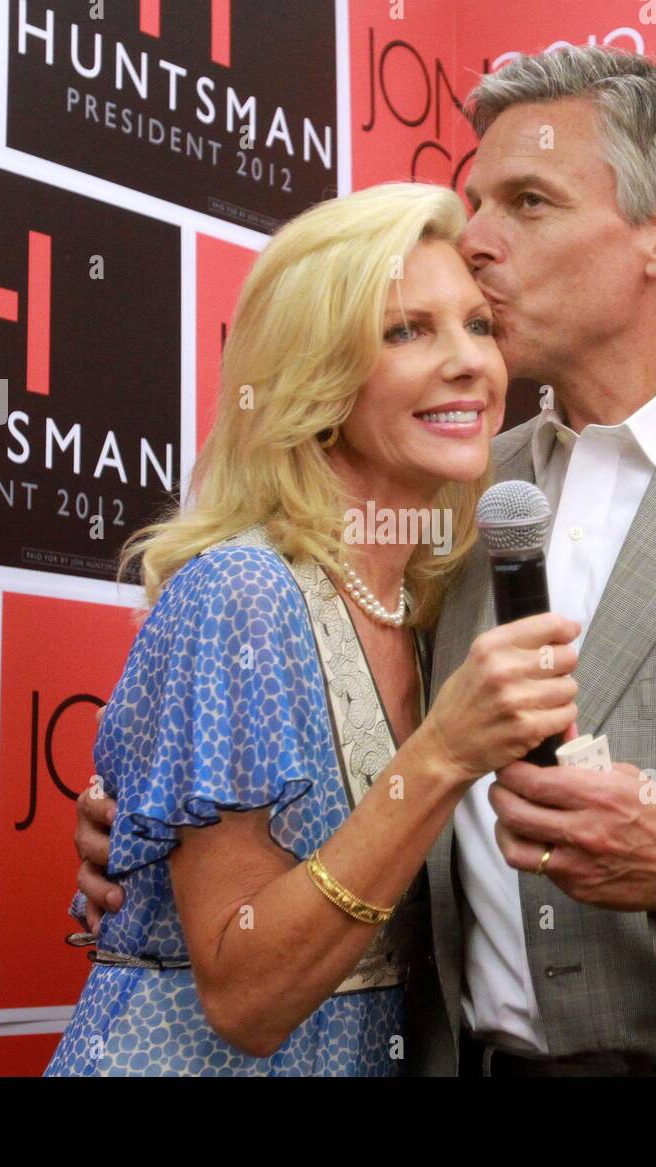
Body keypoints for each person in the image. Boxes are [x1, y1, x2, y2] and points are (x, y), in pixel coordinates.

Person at [75, 47, 656, 1077]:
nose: (476, 240)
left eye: (527, 202)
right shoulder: (452, 493)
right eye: (474, 201)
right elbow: (344, 741)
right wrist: (165, 839)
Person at [45, 181, 581, 1076]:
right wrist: (442, 754)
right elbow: (246, 999)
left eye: (479, 326)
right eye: (407, 331)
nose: (469, 364)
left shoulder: (429, 606)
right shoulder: (241, 592)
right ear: (316, 372)